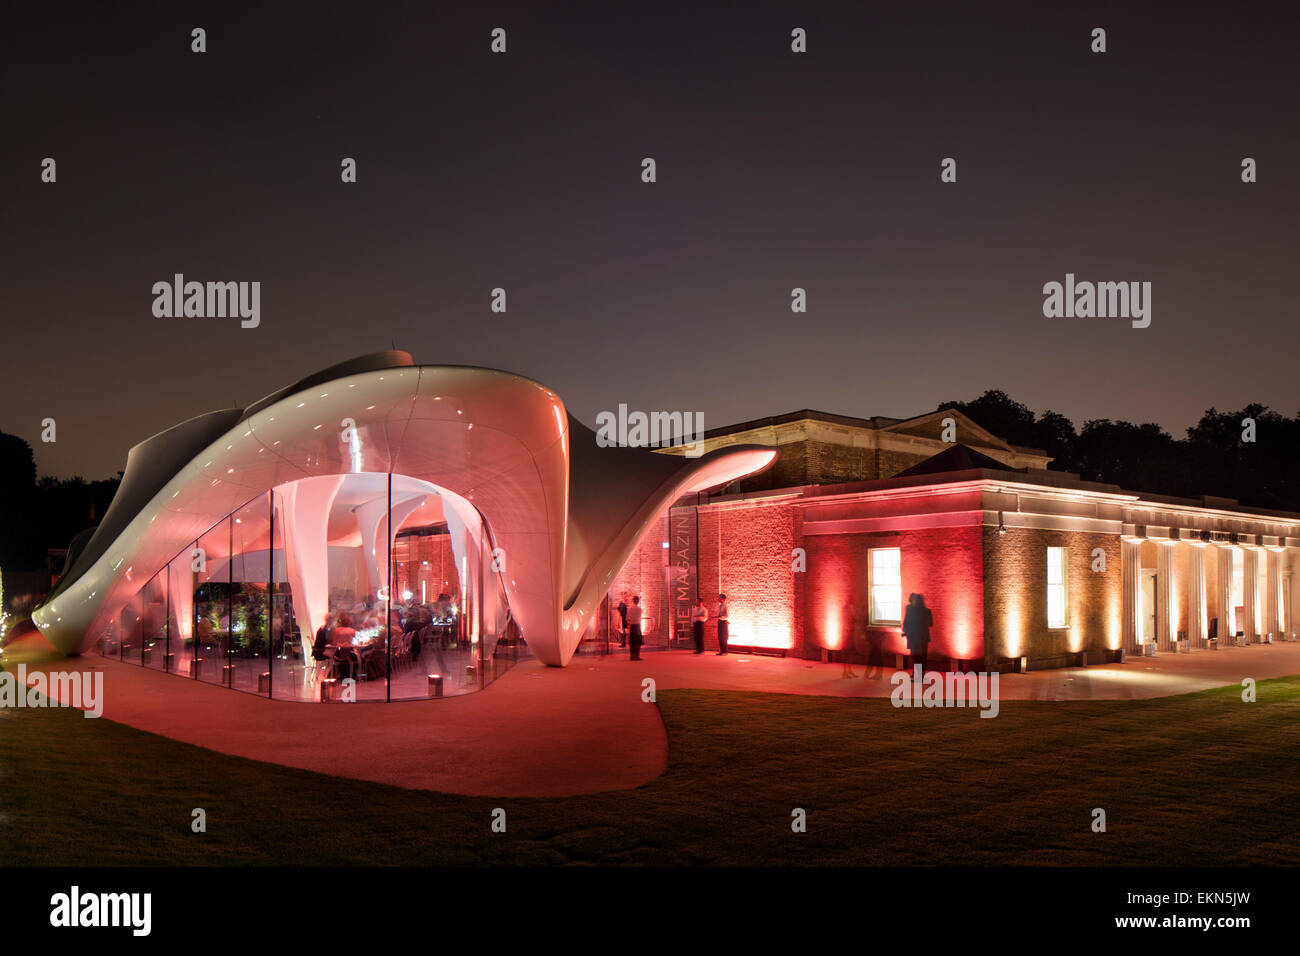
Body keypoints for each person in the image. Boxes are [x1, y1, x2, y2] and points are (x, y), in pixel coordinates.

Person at [902, 593, 933, 672]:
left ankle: (917, 676)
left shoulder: (911, 610)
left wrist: (906, 630)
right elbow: (931, 623)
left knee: (916, 657)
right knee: (923, 657)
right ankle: (921, 675)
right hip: (924, 637)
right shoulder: (927, 611)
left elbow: (906, 623)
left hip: (914, 637)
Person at [627, 596, 644, 661]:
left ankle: (632, 656)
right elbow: (639, 616)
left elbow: (627, 618)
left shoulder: (630, 609)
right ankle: (637, 656)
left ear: (633, 601)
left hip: (632, 626)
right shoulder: (639, 609)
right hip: (637, 626)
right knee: (637, 642)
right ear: (638, 601)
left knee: (632, 642)